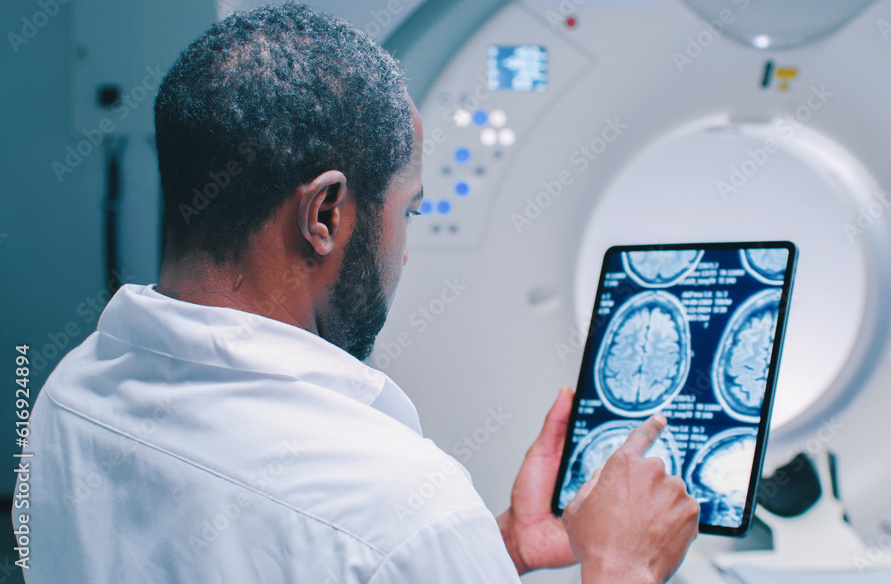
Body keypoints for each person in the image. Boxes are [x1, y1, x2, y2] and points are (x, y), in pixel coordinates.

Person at [18, 4, 699, 582]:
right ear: (324, 217)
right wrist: (623, 567)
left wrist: (501, 548)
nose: (405, 248)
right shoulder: (402, 506)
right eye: (409, 210)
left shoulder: (66, 397)